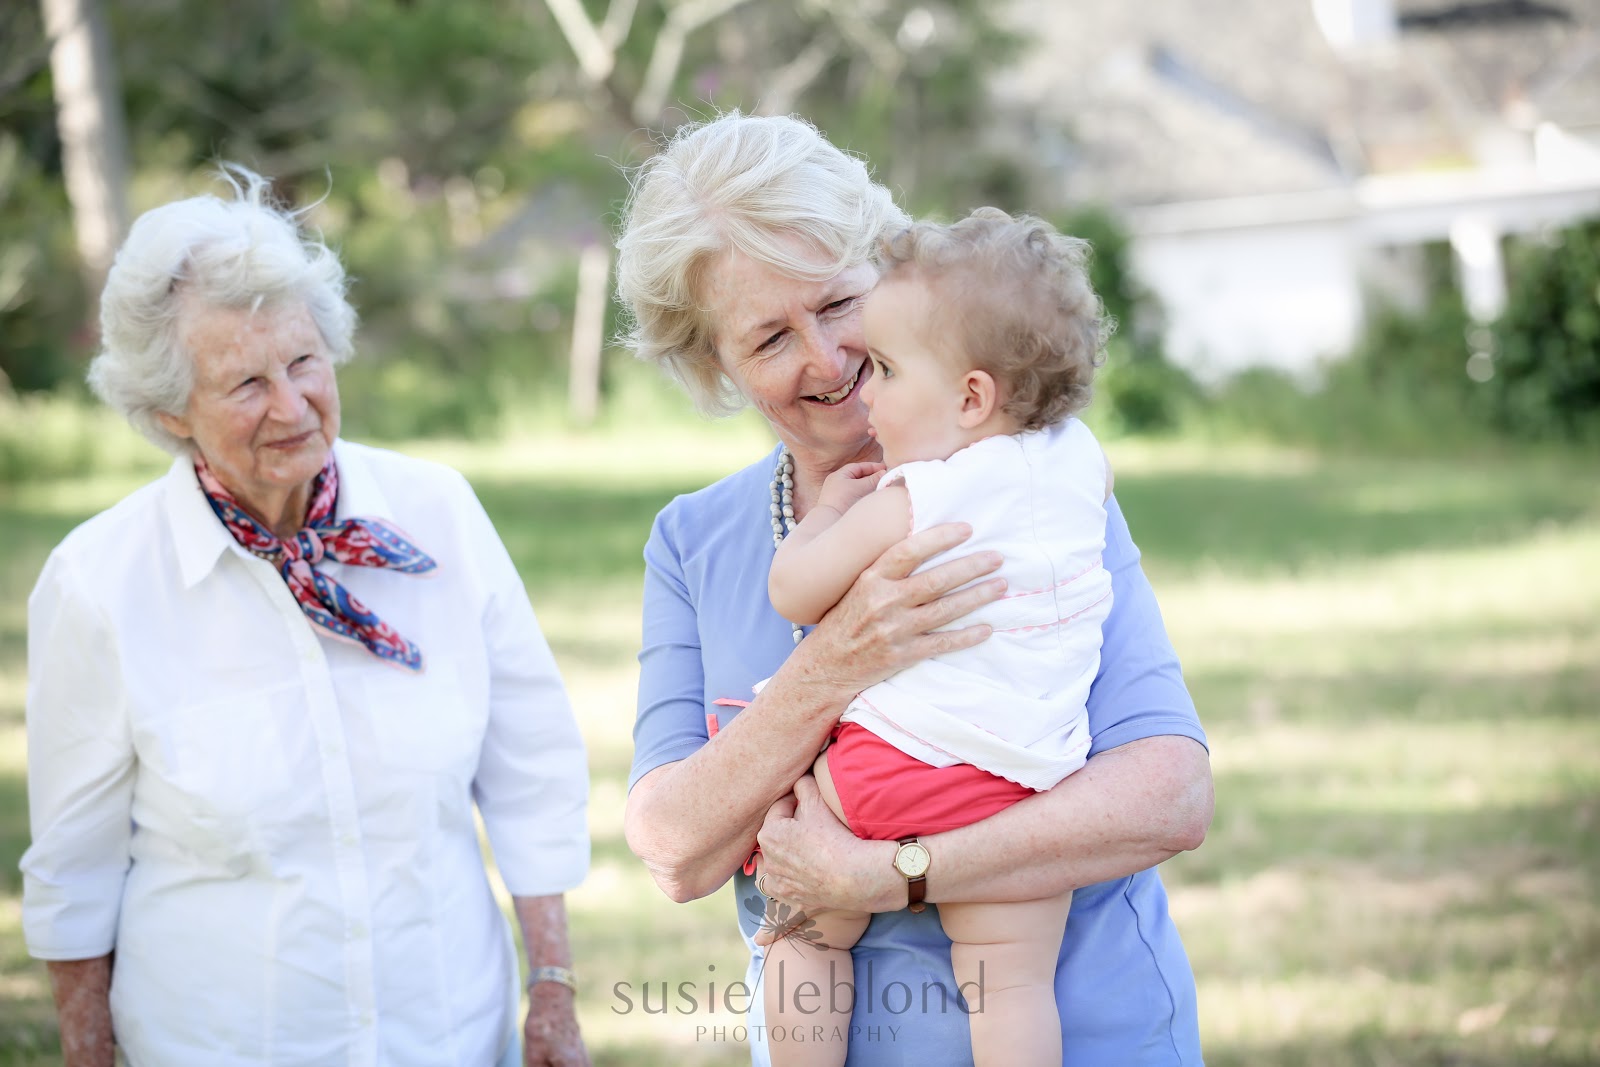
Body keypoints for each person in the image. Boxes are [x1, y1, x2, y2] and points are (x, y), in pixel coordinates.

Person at [617, 110, 1213, 1067]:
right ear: (712, 363)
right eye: (769, 338)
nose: (828, 359)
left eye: (839, 304)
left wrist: (892, 872)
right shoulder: (695, 542)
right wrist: (834, 665)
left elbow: (1167, 796)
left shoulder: (1027, 484)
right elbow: (675, 849)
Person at [20, 166, 591, 1067]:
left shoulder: (438, 515)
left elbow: (532, 774)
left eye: (303, 362)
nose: (290, 406)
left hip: (446, 1036)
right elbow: (74, 872)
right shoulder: (100, 582)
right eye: (245, 383)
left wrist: (551, 988)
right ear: (170, 410)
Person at [761, 207, 1115, 1067]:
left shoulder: (921, 494)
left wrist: (832, 511)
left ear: (971, 398)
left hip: (896, 767)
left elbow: (791, 588)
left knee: (804, 931)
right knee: (1014, 987)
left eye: (885, 368)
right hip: (1027, 781)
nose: (865, 390)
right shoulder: (1082, 461)